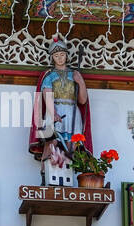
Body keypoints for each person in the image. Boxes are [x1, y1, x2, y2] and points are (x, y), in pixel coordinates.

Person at [28, 37, 91, 185]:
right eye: (56, 56)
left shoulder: (74, 74)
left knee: (71, 146)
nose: (60, 58)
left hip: (72, 112)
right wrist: (52, 113)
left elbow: (82, 100)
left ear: (67, 55)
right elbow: (47, 95)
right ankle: (45, 175)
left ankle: (68, 178)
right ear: (52, 58)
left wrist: (80, 82)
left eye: (62, 54)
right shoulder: (49, 76)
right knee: (52, 142)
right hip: (55, 111)